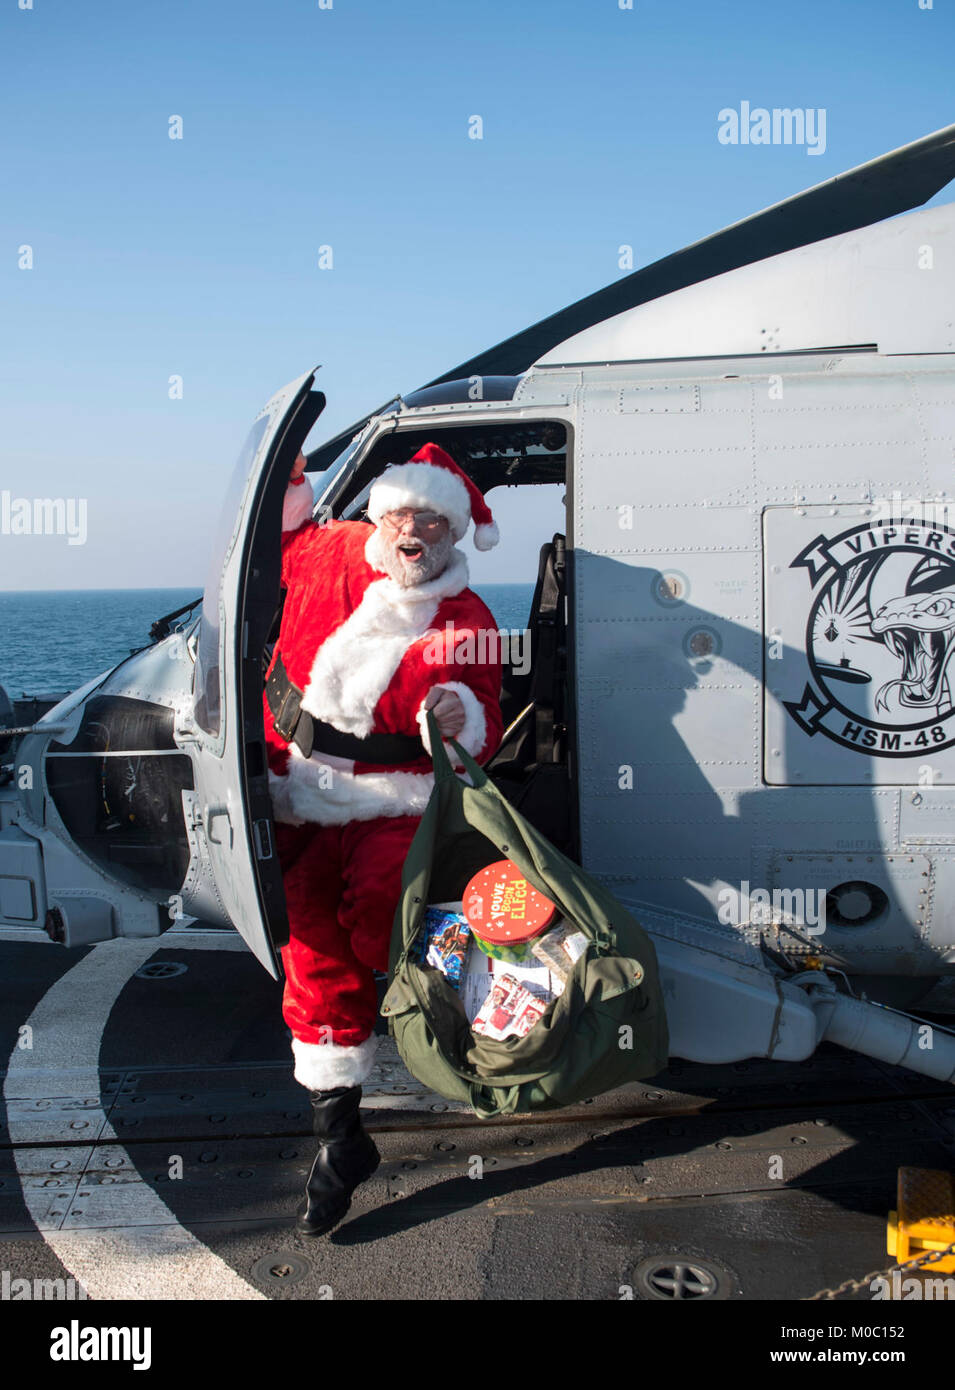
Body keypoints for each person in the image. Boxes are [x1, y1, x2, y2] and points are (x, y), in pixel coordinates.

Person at [264, 441, 504, 1235]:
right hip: (298, 790)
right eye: (402, 514)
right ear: (379, 515)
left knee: (379, 918)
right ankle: (340, 1138)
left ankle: (453, 1019)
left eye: (433, 520)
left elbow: (485, 714)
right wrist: (289, 478)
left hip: (395, 799)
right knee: (310, 955)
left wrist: (457, 717)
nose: (414, 533)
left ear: (453, 533)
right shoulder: (328, 553)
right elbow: (280, 533)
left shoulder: (468, 618)